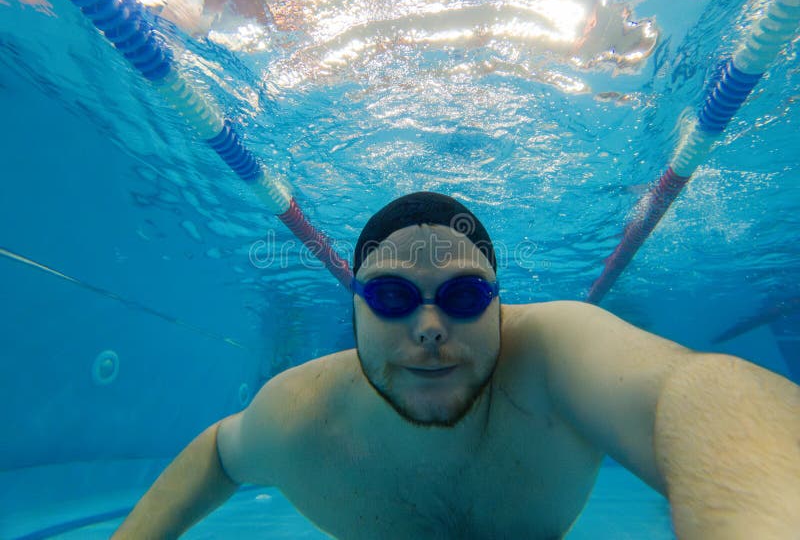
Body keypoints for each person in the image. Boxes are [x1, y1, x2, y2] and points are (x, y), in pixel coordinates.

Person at [113, 192, 800, 539]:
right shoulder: (300, 414)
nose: (432, 328)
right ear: (352, 309)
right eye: (390, 296)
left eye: (466, 295)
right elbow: (221, 454)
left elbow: (691, 390)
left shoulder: (553, 355)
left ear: (501, 306)